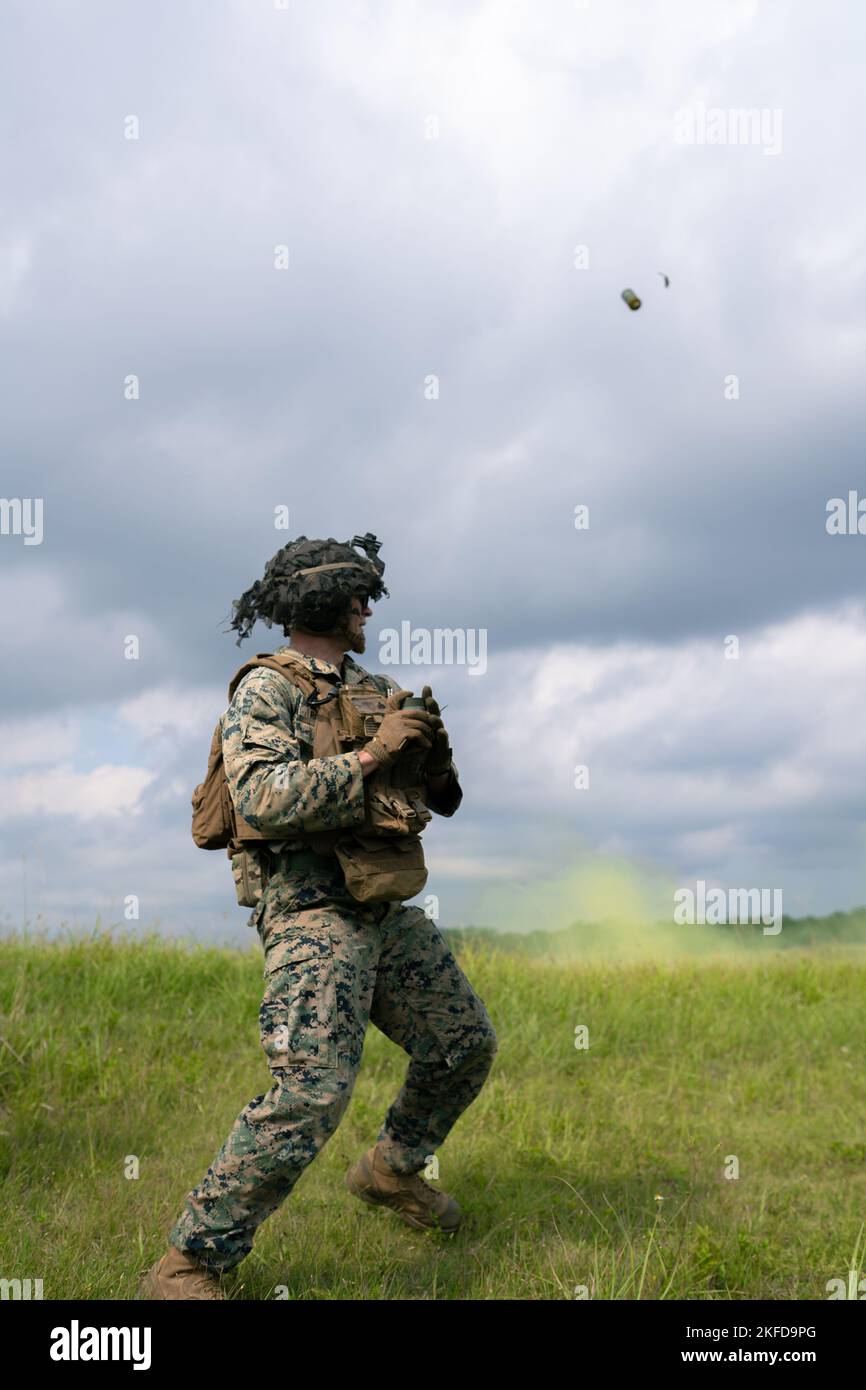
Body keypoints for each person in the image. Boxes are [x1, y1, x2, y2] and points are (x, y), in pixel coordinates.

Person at [139, 533, 498, 1300]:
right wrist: (371, 759)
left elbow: (442, 799)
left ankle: (390, 1174)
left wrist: (431, 758)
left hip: (381, 903)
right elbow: (265, 797)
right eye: (360, 596)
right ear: (326, 602)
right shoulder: (264, 690)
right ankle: (189, 1263)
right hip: (309, 908)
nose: (370, 608)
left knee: (461, 1043)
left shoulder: (377, 688)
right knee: (310, 1090)